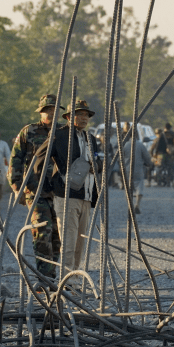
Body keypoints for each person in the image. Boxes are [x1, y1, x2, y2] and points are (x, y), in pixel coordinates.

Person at [8, 94, 62, 280]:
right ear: (41, 112)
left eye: (55, 110)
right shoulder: (29, 131)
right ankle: (44, 277)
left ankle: (53, 275)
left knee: (58, 236)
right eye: (48, 110)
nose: (51, 113)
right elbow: (15, 159)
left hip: (59, 192)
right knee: (41, 233)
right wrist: (16, 187)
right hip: (35, 190)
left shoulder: (64, 132)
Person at [45, 100, 101, 273]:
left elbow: (98, 161)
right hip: (66, 194)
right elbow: (42, 159)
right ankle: (66, 278)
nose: (84, 118)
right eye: (80, 114)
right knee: (68, 242)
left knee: (80, 242)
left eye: (86, 115)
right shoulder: (59, 135)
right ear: (69, 116)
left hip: (86, 195)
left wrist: (95, 165)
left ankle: (74, 278)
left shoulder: (90, 138)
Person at [121, 124, 153, 215]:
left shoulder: (125, 145)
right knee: (139, 185)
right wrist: (149, 163)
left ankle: (129, 206)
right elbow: (147, 157)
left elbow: (120, 158)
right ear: (136, 135)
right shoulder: (140, 145)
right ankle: (137, 205)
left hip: (127, 170)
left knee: (128, 188)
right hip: (138, 169)